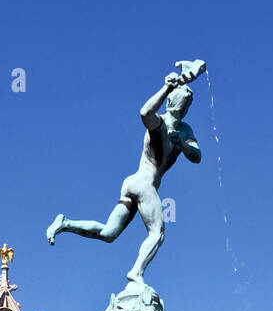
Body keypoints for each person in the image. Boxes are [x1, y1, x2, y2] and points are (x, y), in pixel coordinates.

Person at [47, 63, 204, 285]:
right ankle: (136, 272)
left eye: (187, 103)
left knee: (108, 233)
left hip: (132, 183)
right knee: (157, 233)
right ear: (171, 102)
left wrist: (183, 144)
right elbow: (145, 113)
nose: (185, 105)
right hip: (143, 183)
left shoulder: (184, 130)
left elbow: (197, 156)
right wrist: (166, 87)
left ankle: (65, 223)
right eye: (183, 101)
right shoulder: (160, 124)